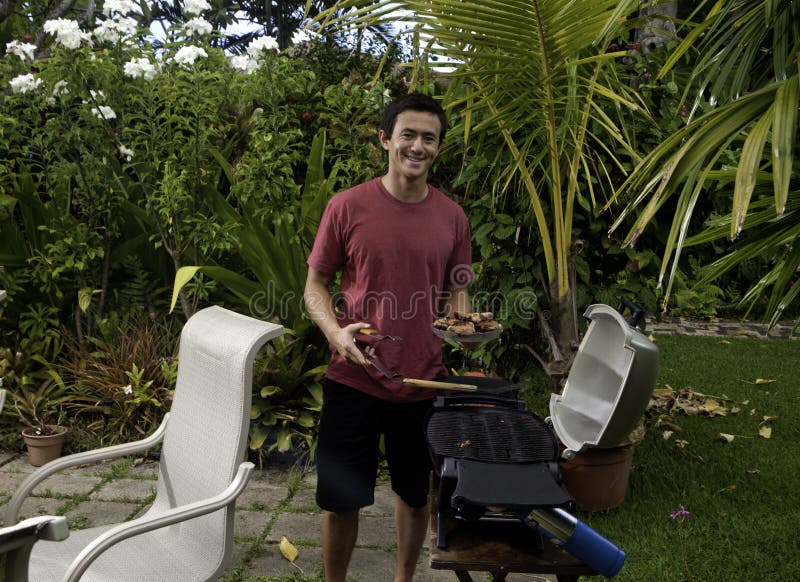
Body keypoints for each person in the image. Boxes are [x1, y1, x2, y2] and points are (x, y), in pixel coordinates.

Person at [304, 92, 474, 582]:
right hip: (353, 376)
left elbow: (459, 291)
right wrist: (334, 332)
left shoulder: (453, 217)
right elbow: (315, 285)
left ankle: (404, 577)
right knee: (340, 502)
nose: (418, 146)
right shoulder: (347, 207)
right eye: (408, 135)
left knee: (416, 494)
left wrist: (465, 326)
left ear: (438, 147)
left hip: (422, 382)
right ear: (385, 140)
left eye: (429, 137)